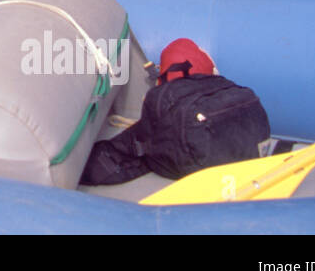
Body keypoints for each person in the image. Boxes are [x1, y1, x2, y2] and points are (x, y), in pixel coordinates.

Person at [80, 38, 270, 186]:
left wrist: (76, 168)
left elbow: (128, 149)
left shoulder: (164, 97)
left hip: (194, 159)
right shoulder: (223, 86)